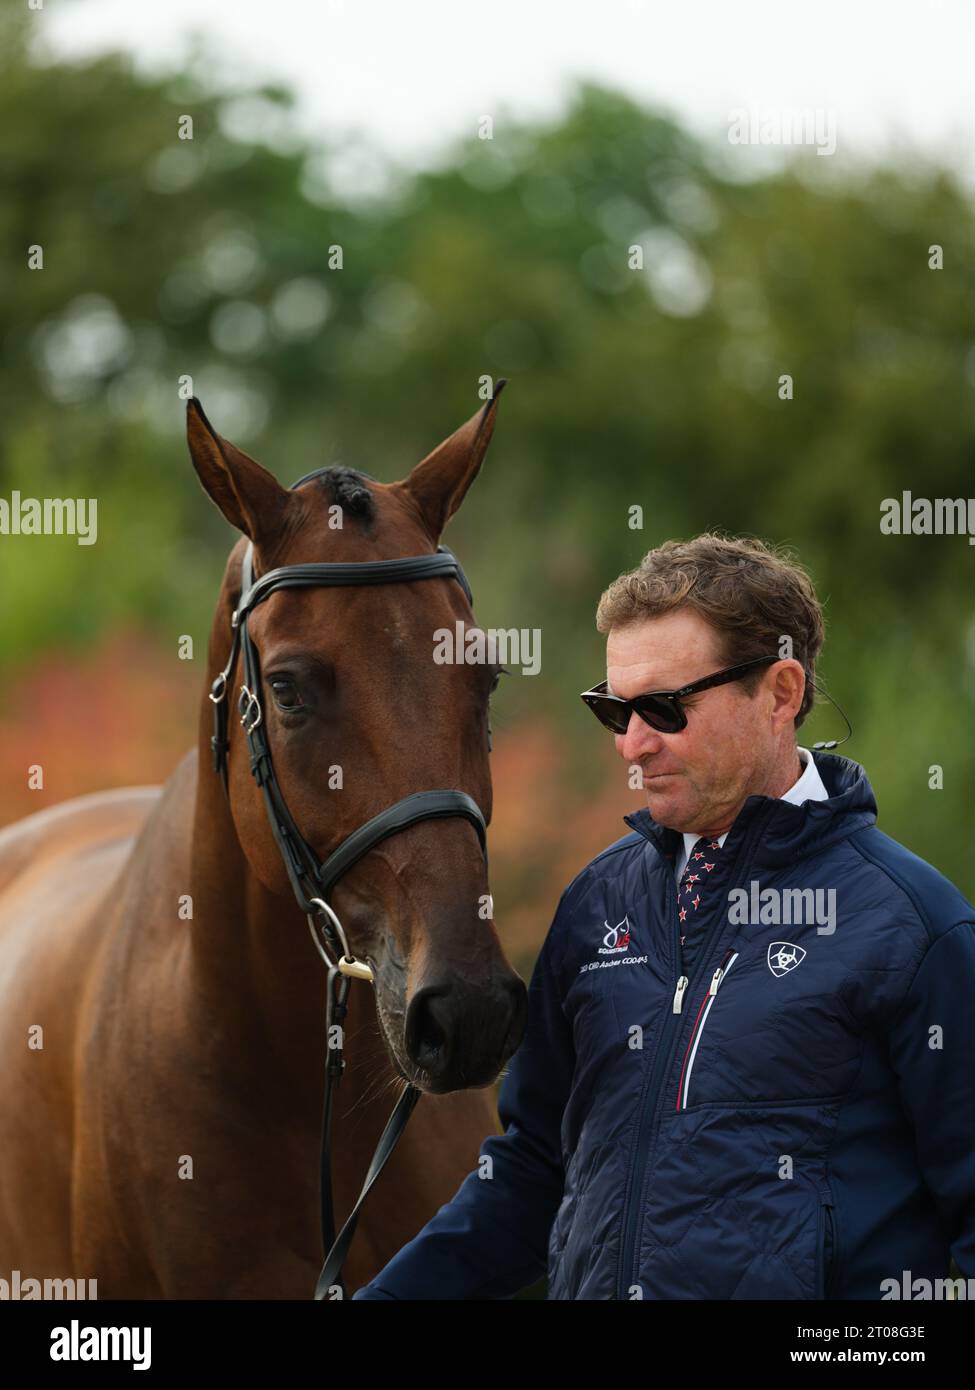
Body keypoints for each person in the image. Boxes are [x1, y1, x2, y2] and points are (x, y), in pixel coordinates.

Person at [353, 533, 975, 1300]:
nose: (632, 745)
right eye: (614, 709)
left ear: (779, 693)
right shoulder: (594, 905)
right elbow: (534, 1170)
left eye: (662, 708)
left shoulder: (914, 926)